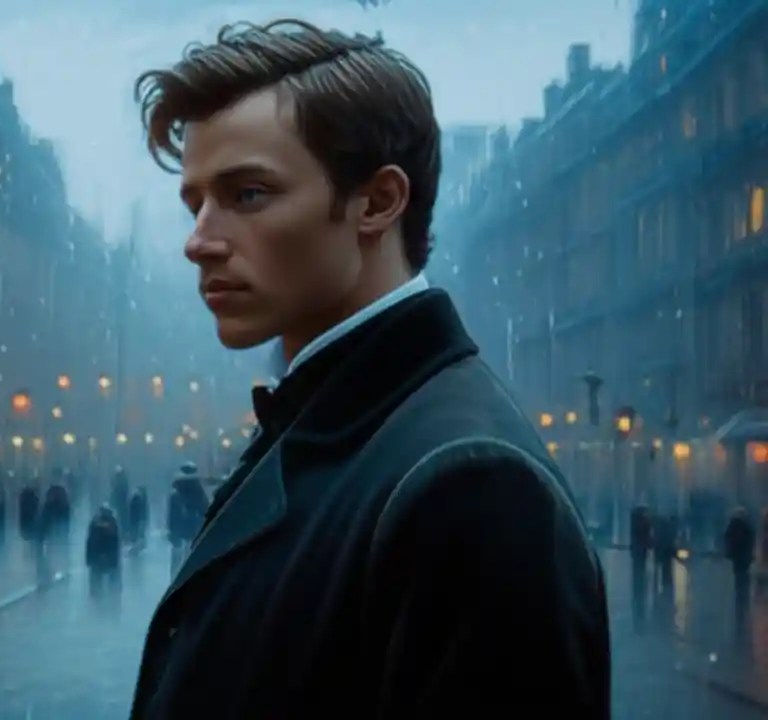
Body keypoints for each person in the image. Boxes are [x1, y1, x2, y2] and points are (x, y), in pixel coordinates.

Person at [129, 21, 609, 719]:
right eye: (194, 202)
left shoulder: (468, 483)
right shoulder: (348, 425)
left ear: (378, 202)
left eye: (247, 195)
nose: (198, 242)